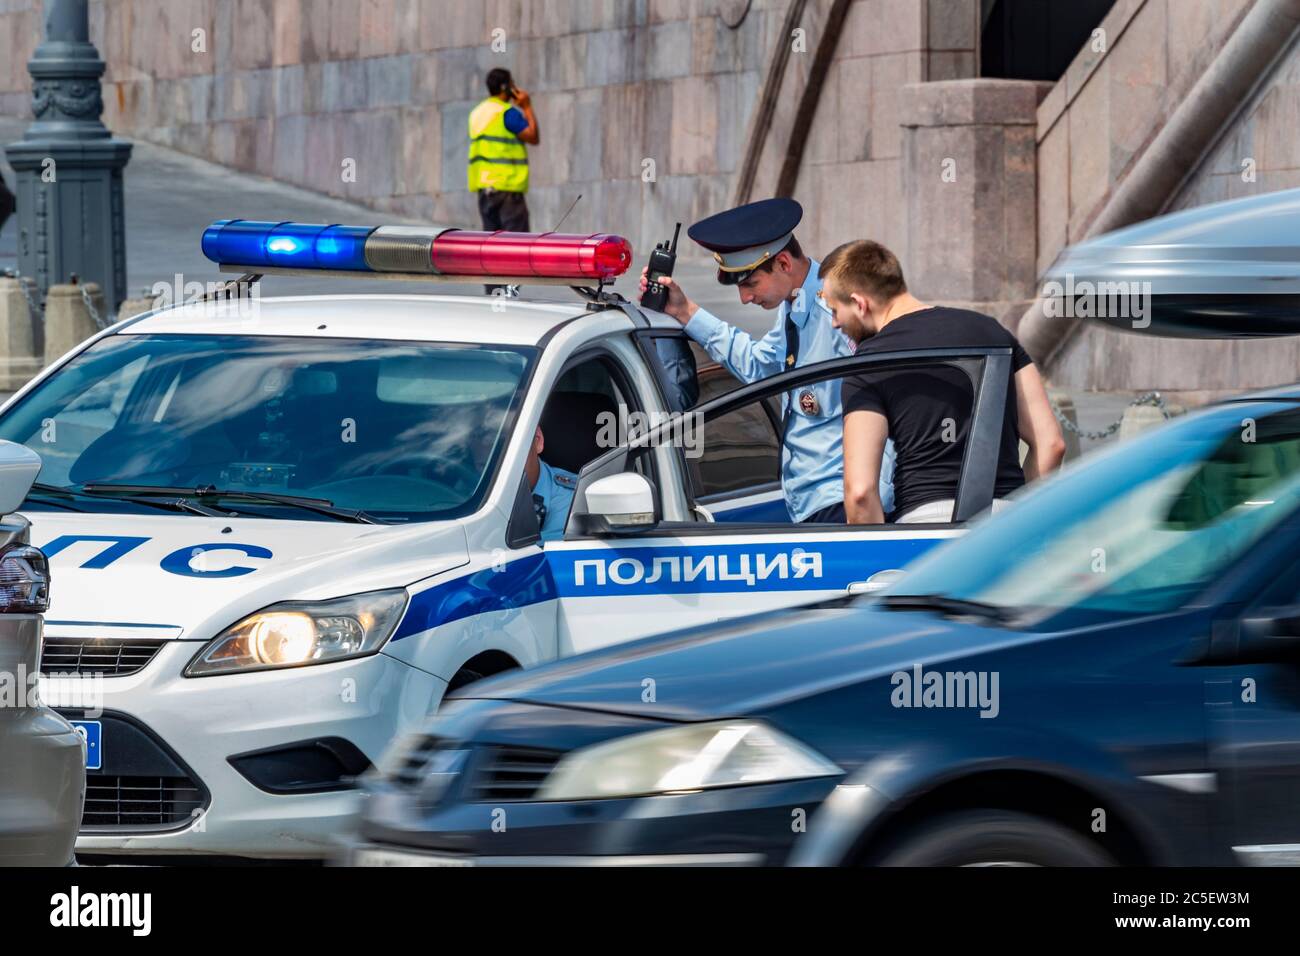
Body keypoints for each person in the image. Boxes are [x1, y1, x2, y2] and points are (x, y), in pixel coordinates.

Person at [638, 197, 894, 523]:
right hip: (814, 505)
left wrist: (870, 510)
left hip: (844, 509)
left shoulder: (839, 311)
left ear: (784, 264)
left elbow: (889, 401)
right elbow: (761, 367)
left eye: (750, 283)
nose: (745, 298)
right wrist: (684, 310)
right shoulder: (794, 304)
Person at [820, 239, 1065, 525]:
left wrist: (880, 557)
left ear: (860, 303)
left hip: (924, 526)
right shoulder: (992, 331)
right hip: (1004, 524)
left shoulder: (869, 363)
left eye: (835, 311)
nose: (835, 324)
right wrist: (1020, 516)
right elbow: (1051, 443)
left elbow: (860, 492)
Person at [468, 68, 538, 234]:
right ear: (505, 87)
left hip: (485, 191)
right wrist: (527, 107)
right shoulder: (507, 113)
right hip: (507, 189)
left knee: (491, 246)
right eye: (512, 84)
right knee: (517, 246)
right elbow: (533, 137)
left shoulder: (476, 113)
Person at [526, 426, 576, 541]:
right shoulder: (476, 497)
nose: (491, 450)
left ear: (537, 440)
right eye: (477, 435)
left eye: (506, 438)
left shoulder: (577, 501)